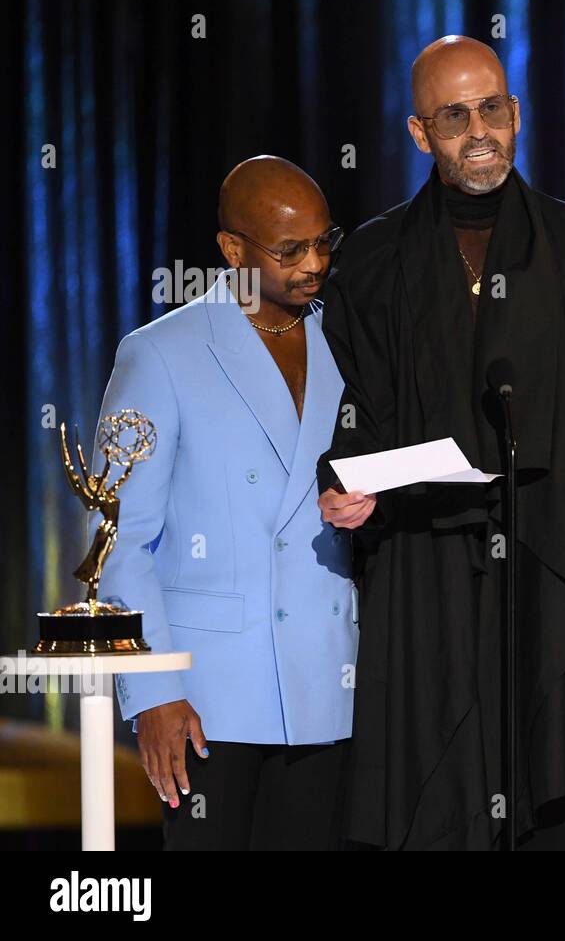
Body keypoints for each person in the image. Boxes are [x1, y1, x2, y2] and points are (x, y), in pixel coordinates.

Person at [314, 36, 565, 850]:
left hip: (545, 561)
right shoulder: (373, 257)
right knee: (433, 804)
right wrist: (340, 480)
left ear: (517, 113)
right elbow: (354, 408)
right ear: (420, 133)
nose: (479, 130)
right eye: (454, 115)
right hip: (422, 575)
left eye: (492, 107)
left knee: (550, 800)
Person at [97, 156, 355, 849]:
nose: (314, 263)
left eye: (325, 241)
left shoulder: (351, 344)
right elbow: (117, 543)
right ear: (232, 250)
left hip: (329, 685)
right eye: (290, 248)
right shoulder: (161, 353)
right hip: (206, 701)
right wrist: (150, 692)